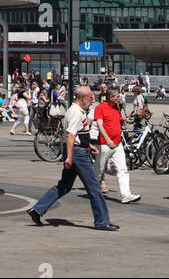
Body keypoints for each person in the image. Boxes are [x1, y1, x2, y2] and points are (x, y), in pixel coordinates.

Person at [27, 85, 118, 231]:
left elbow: (79, 134)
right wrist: (69, 157)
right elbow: (70, 136)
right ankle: (102, 221)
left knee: (64, 186)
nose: (92, 99)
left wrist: (88, 146)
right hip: (77, 155)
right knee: (94, 188)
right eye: (90, 97)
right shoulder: (76, 112)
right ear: (83, 98)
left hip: (77, 151)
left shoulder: (77, 110)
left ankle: (37, 210)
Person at [94, 87, 141, 206]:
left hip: (117, 143)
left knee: (122, 169)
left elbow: (116, 120)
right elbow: (100, 125)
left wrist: (122, 119)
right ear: (111, 98)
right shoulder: (100, 108)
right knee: (98, 171)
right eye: (117, 96)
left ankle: (126, 195)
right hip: (104, 144)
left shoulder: (117, 106)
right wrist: (108, 139)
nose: (120, 98)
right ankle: (93, 192)